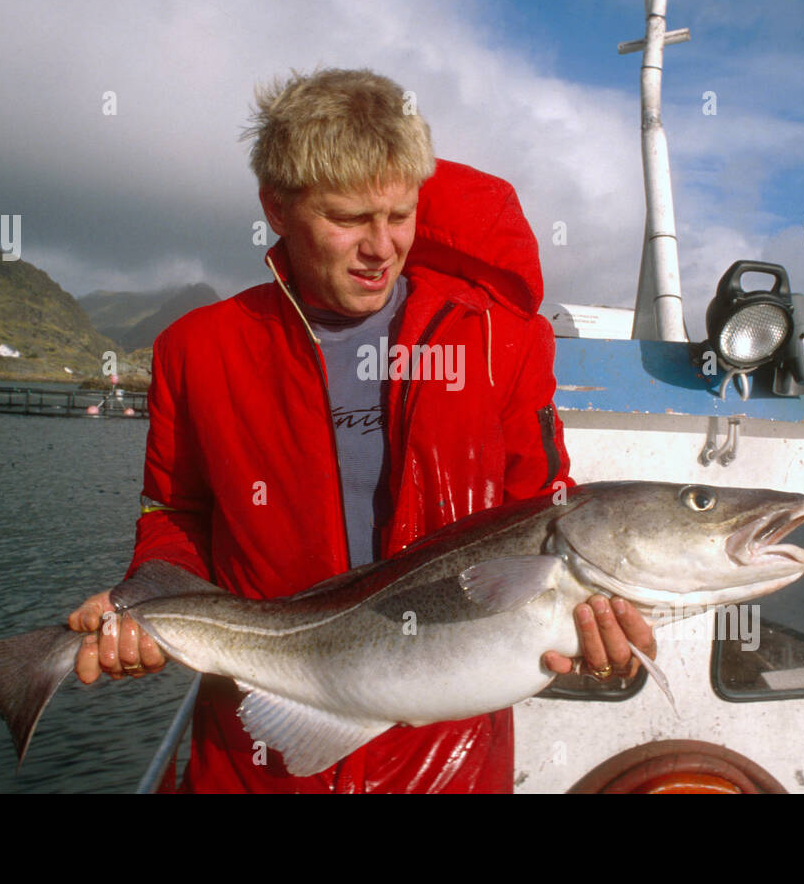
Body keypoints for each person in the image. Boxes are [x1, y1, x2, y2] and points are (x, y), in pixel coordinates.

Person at [68, 68, 655, 793]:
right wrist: (143, 605)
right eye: (349, 218)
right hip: (259, 759)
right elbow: (174, 513)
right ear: (276, 207)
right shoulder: (195, 349)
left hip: (449, 763)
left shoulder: (503, 339)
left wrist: (608, 626)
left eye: (400, 214)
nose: (383, 247)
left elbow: (546, 507)